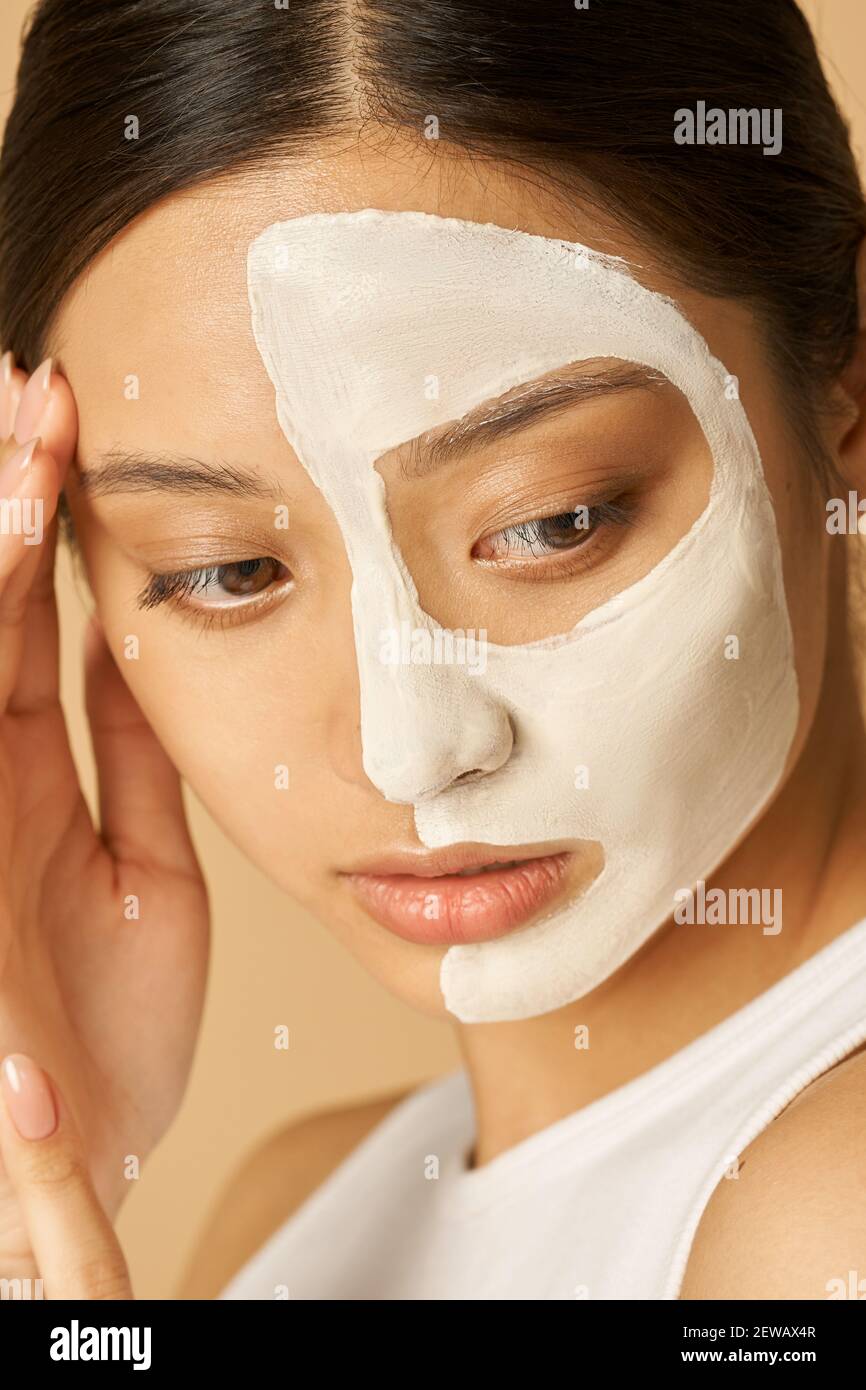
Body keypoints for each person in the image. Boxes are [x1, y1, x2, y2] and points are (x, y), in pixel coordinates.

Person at [0, 0, 865, 1302]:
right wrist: (45, 1174)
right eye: (224, 570)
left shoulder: (827, 1218)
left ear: (846, 391)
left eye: (548, 521)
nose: (407, 747)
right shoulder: (295, 1206)